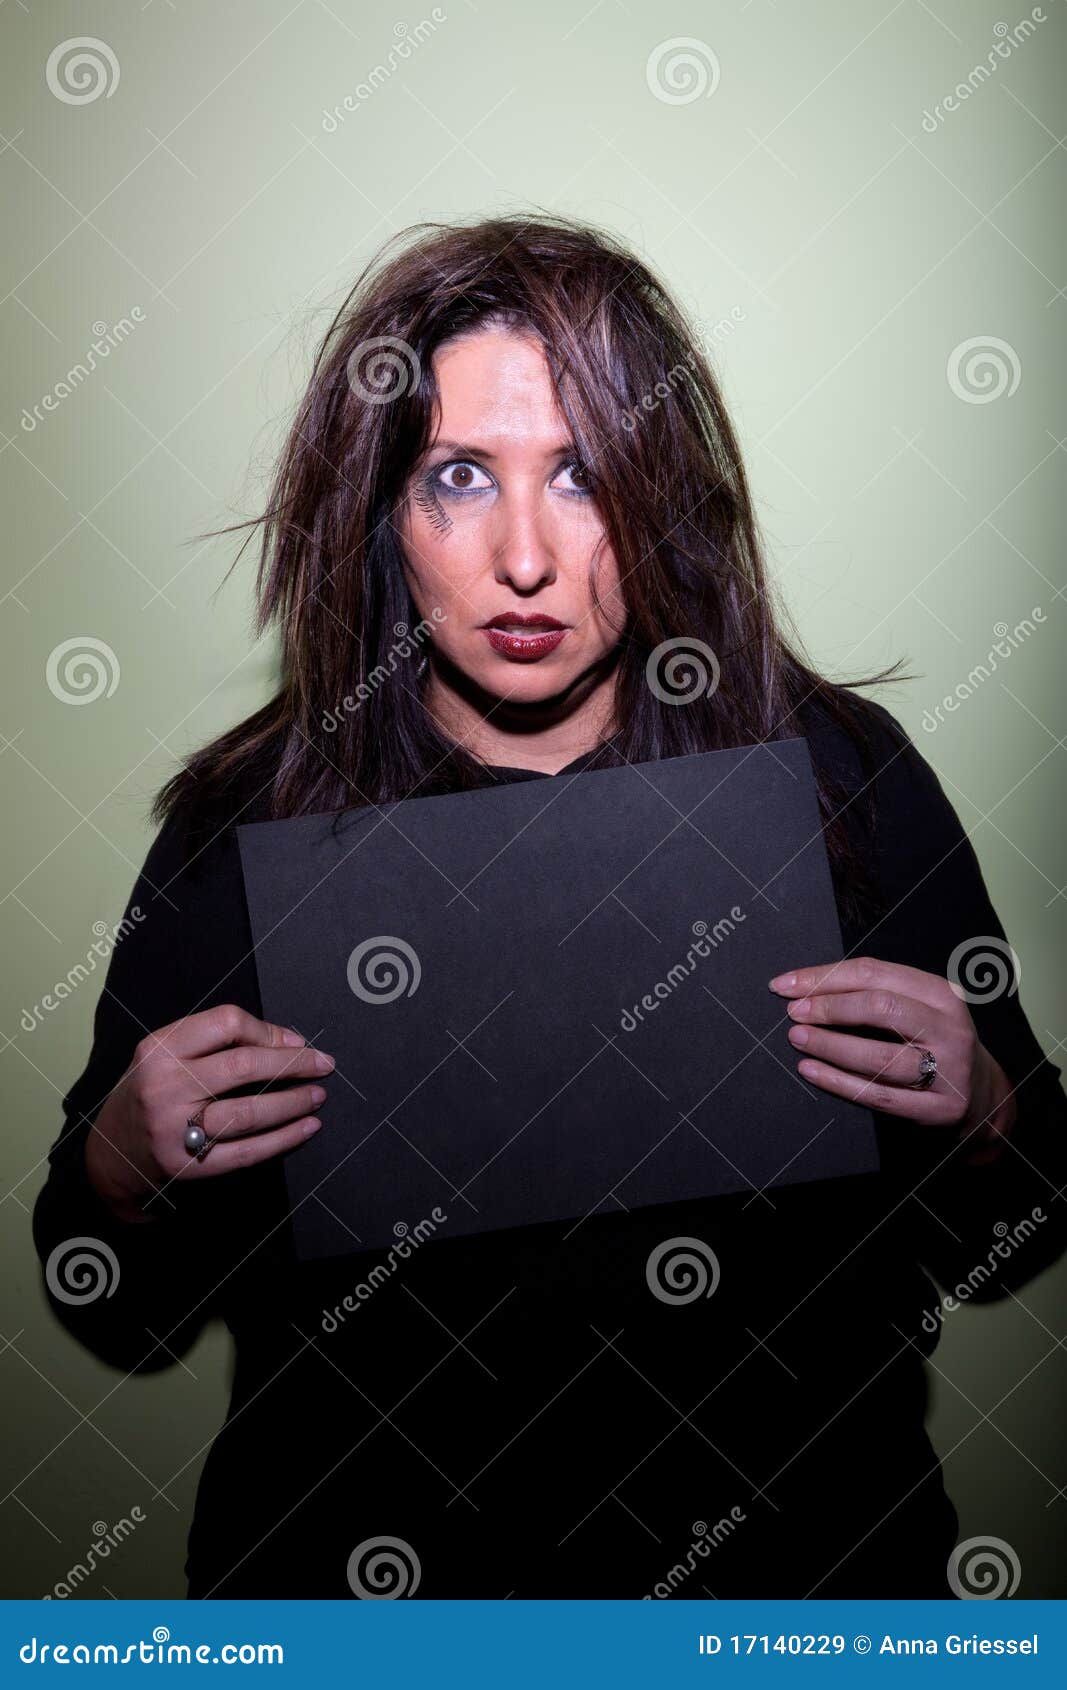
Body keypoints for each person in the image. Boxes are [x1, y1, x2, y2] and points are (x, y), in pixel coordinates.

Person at [32, 216, 1067, 1599]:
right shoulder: (252, 825)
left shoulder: (842, 781)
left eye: (582, 475)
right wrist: (117, 1164)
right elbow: (109, 1294)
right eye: (460, 475)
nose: (525, 555)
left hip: (801, 1591)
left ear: (660, 492)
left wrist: (991, 1118)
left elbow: (1030, 1221)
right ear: (382, 508)